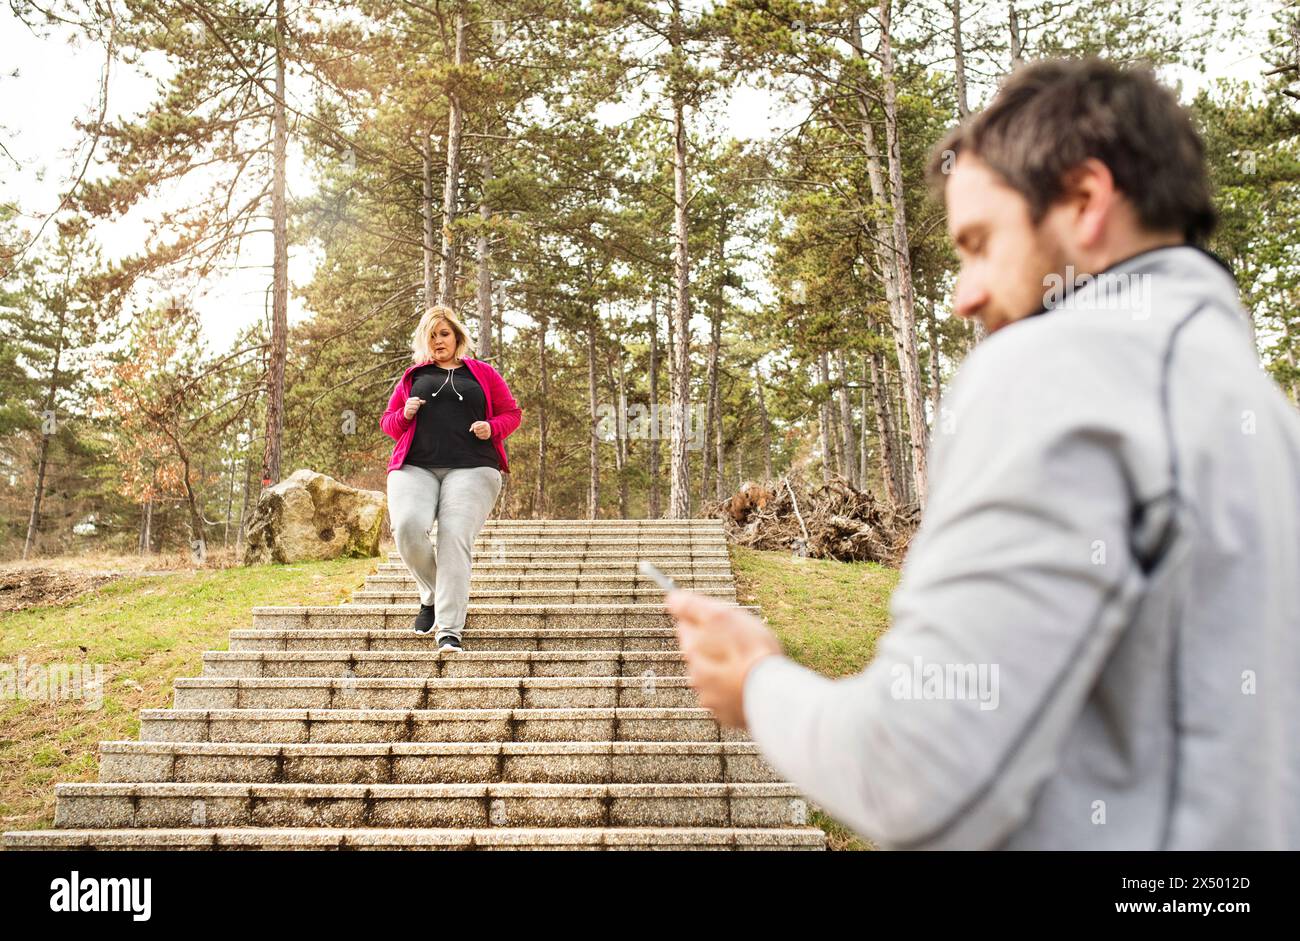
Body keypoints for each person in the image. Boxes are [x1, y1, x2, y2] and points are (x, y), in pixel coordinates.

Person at [666, 57, 1300, 849]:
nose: (965, 294)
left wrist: (757, 684)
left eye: (978, 243)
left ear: (1085, 200)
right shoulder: (1262, 415)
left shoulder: (1061, 365)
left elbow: (913, 771)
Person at [380, 305, 523, 650]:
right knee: (408, 527)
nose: (438, 340)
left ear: (457, 337)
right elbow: (388, 423)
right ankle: (431, 591)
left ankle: (449, 629)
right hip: (416, 467)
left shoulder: (482, 373)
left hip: (473, 467)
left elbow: (512, 413)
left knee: (454, 535)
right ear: (424, 341)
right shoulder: (413, 376)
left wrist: (492, 428)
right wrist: (404, 413)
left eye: (444, 333)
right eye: (432, 335)